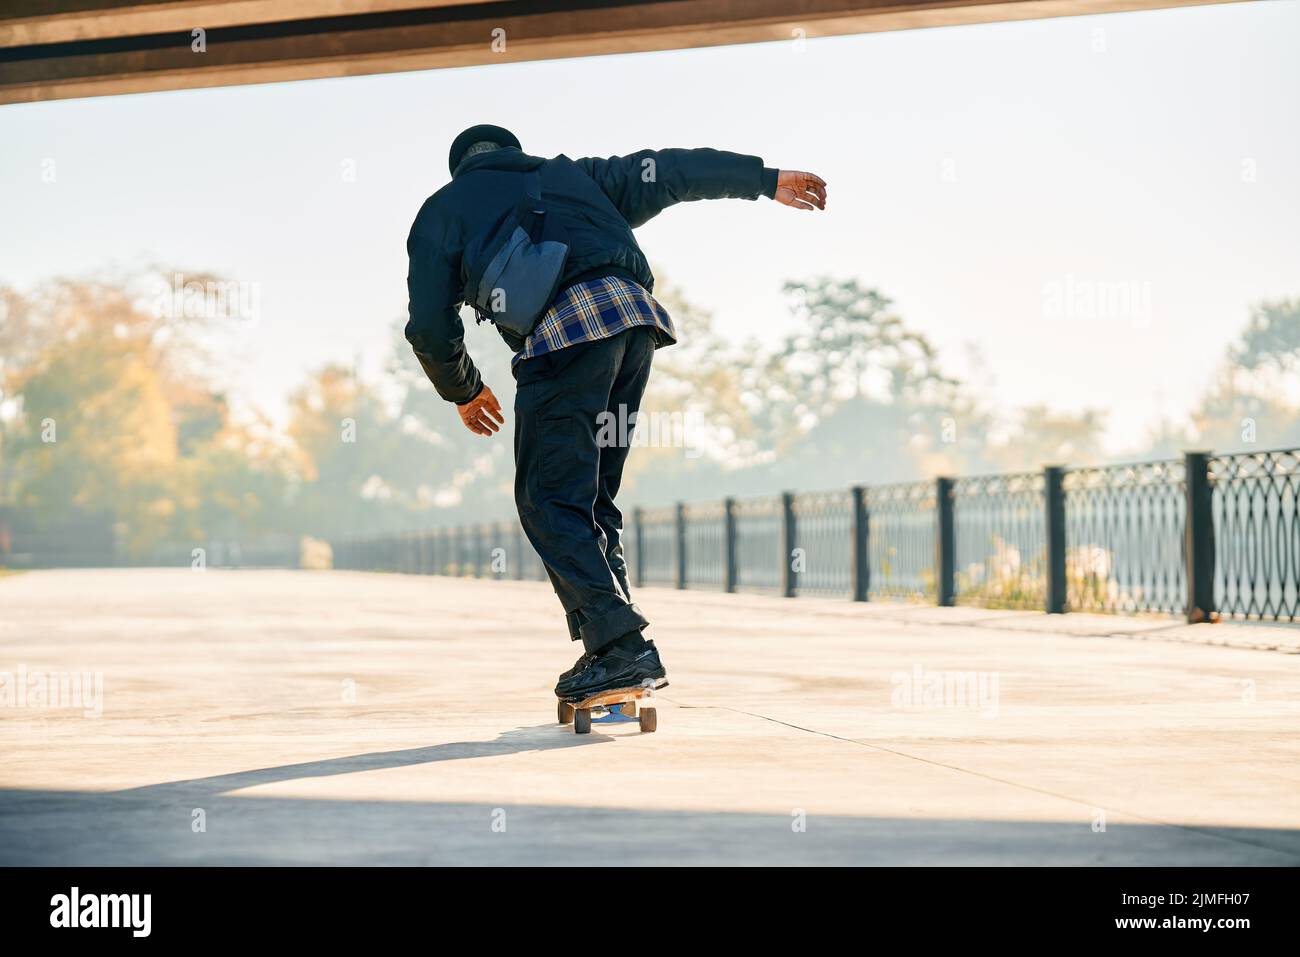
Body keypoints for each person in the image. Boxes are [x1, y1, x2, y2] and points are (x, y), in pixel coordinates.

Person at [405, 123, 827, 703]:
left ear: (461, 167)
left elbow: (429, 324)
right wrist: (764, 180)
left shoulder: (443, 211)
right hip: (633, 325)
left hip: (563, 336)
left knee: (549, 499)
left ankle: (623, 650)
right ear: (512, 151)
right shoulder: (573, 176)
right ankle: (613, 654)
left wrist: (465, 390)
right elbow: (670, 168)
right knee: (593, 500)